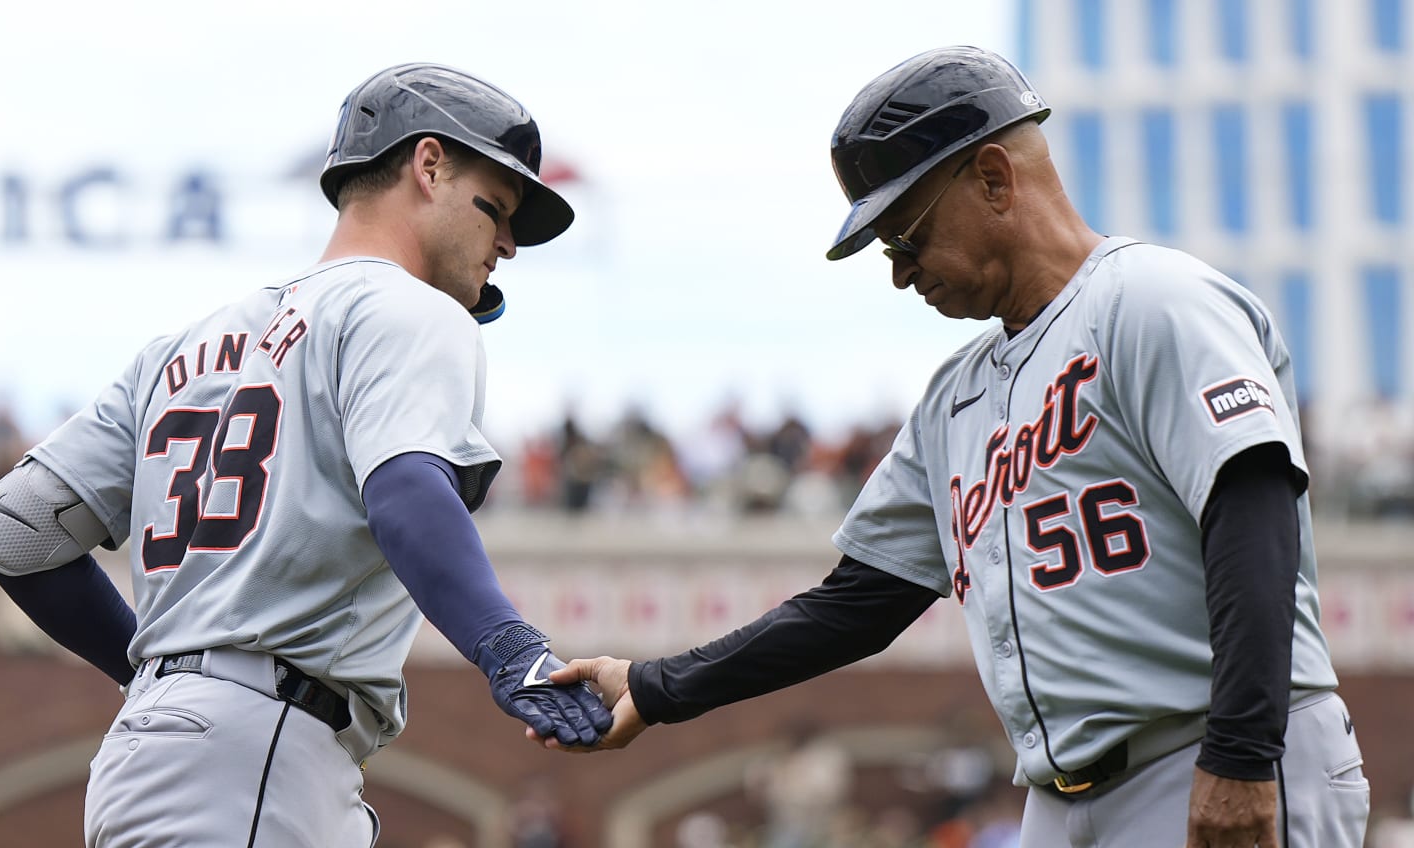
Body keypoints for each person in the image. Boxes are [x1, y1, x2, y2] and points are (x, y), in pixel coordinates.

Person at [537, 46, 1368, 847]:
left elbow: (1253, 511)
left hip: (1211, 753)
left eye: (905, 235)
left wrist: (1241, 752)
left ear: (995, 179)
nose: (901, 272)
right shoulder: (955, 398)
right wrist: (655, 688)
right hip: (1061, 792)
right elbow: (856, 605)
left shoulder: (1151, 301)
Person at [0, 62, 611, 847]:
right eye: (496, 208)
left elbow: (15, 530)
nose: (507, 243)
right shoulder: (409, 308)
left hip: (179, 753)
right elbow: (406, 490)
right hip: (251, 752)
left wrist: (152, 679)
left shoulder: (186, 343)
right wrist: (513, 650)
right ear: (428, 164)